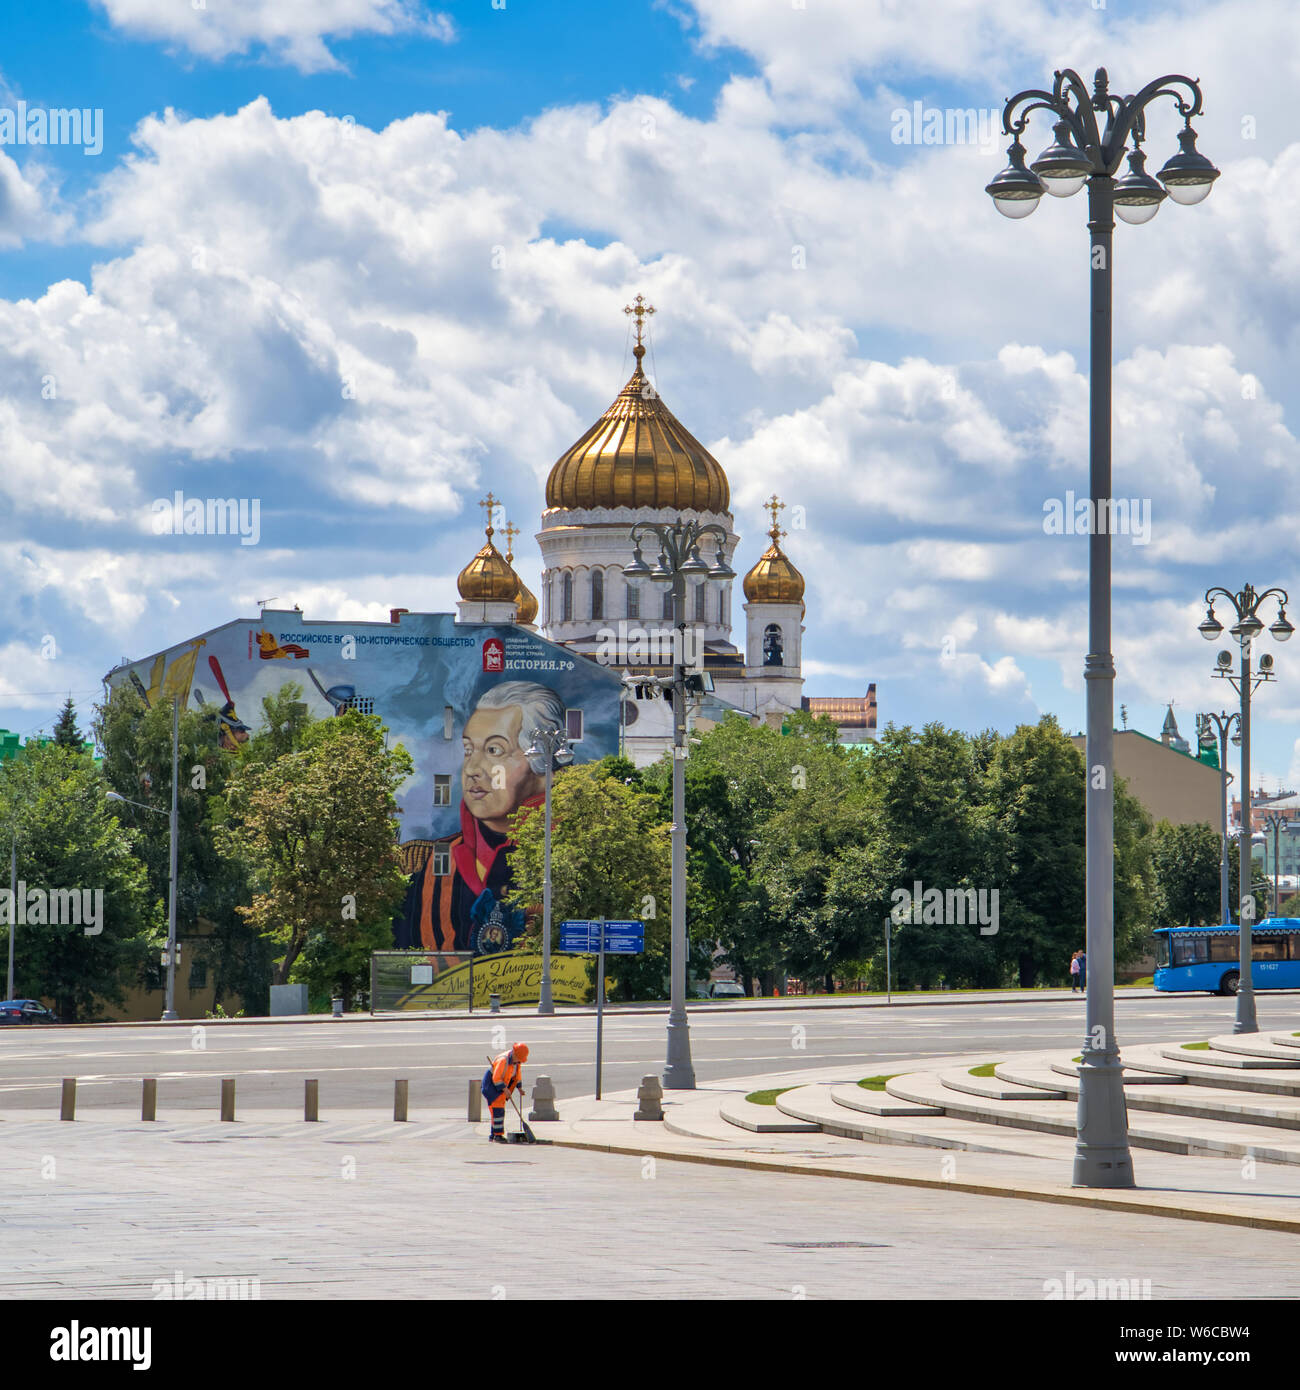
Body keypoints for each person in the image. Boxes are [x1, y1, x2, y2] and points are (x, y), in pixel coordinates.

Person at [398, 681, 569, 954]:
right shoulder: (430, 863)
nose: (473, 769)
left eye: (494, 750)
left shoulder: (577, 854)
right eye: (468, 750)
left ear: (544, 762)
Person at [482, 1042, 529, 1143]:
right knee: (498, 1111)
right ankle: (497, 1136)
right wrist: (505, 1089)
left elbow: (517, 1075)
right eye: (520, 1059)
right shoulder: (503, 1060)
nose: (520, 1062)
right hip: (491, 1086)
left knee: (497, 1111)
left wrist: (519, 1088)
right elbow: (496, 1078)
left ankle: (493, 1135)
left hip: (501, 1085)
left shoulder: (516, 1062)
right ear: (515, 1055)